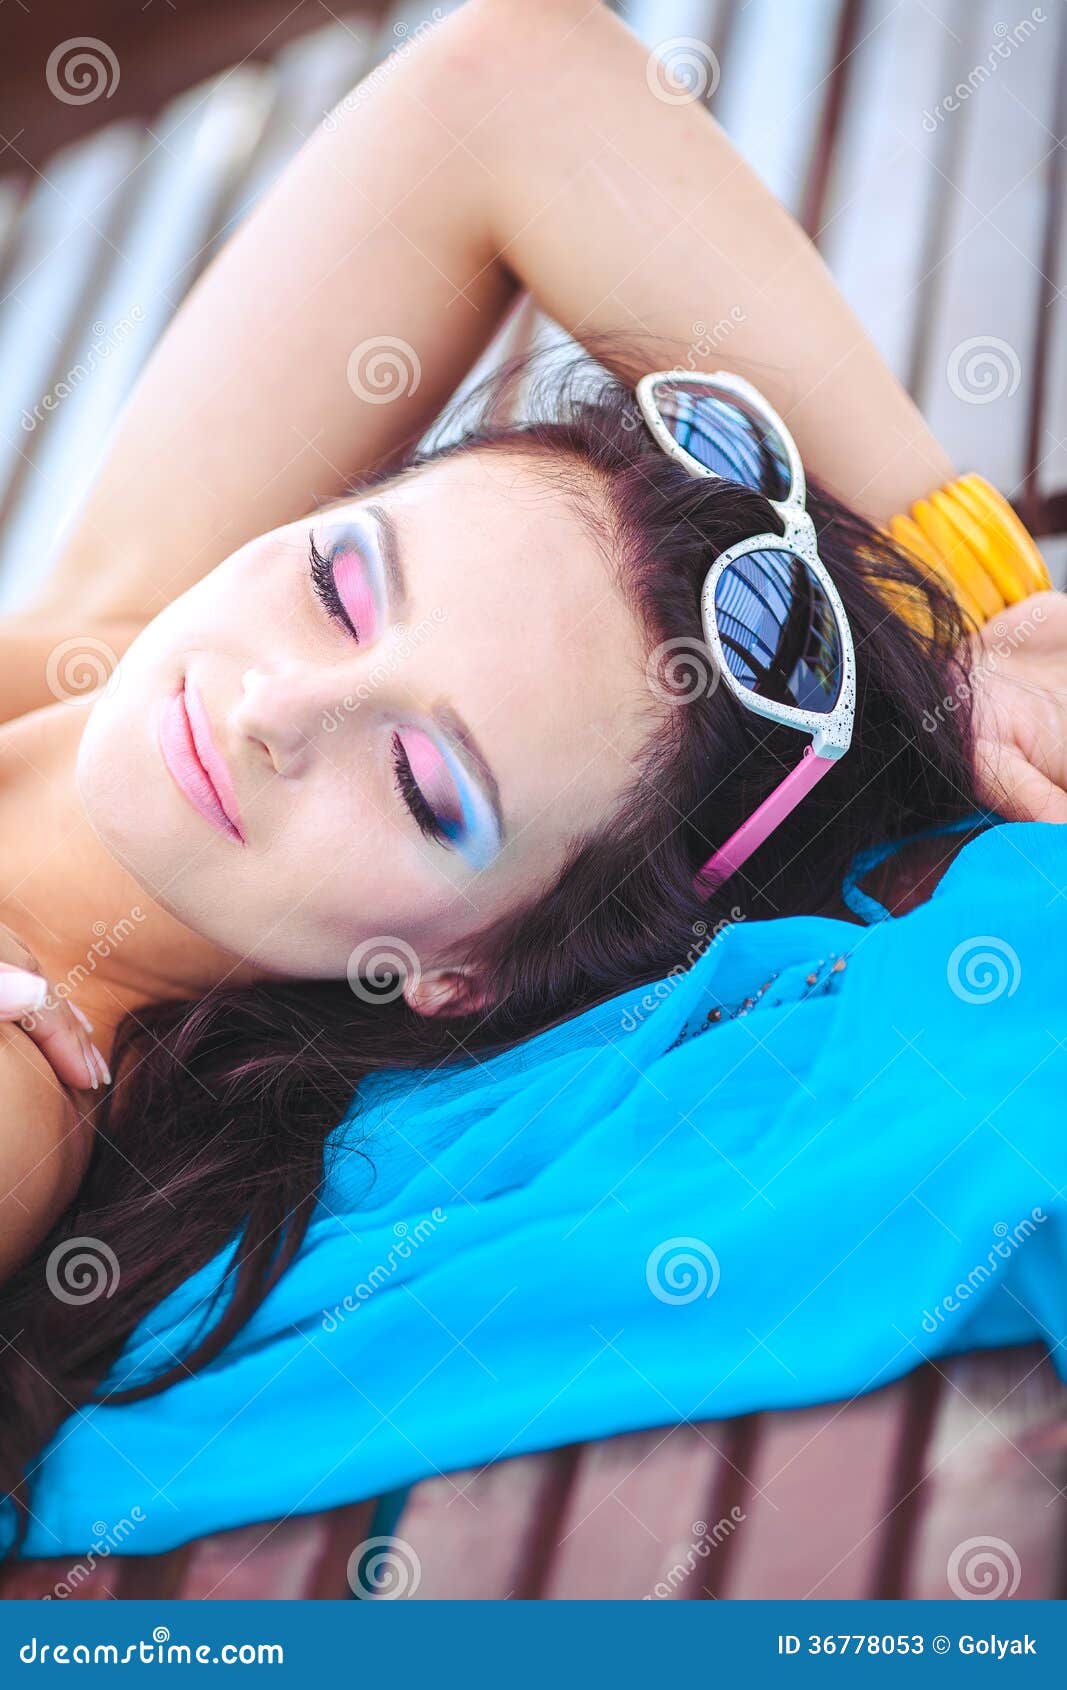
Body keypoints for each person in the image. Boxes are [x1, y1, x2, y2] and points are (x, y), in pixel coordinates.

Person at [0, 0, 1063, 1540]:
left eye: (425, 787)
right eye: (341, 583)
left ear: (461, 970)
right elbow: (514, 84)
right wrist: (986, 598)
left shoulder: (29, 1072)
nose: (278, 713)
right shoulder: (127, 634)